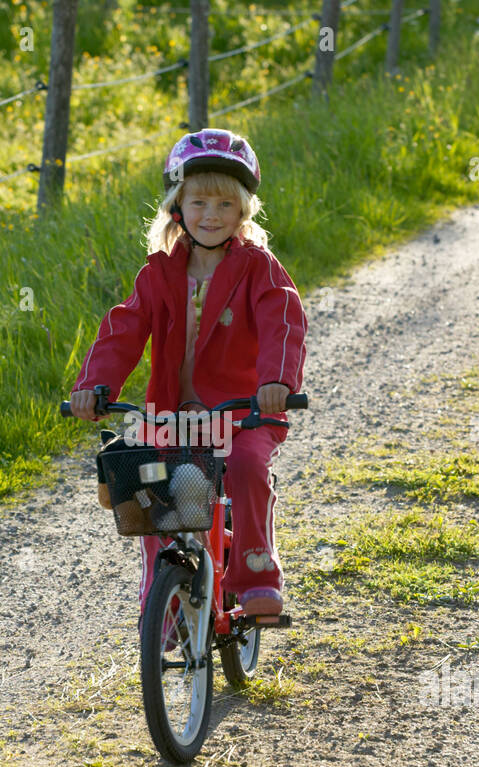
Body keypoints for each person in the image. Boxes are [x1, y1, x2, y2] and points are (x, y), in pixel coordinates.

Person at [69, 127, 307, 620]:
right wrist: (94, 386)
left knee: (244, 468)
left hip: (242, 412)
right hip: (172, 416)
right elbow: (124, 330)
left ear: (242, 211)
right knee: (140, 484)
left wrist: (276, 383)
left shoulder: (258, 270)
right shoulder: (158, 274)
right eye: (199, 203)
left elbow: (282, 320)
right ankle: (166, 599)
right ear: (178, 207)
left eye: (224, 205)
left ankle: (257, 572)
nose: (211, 215)